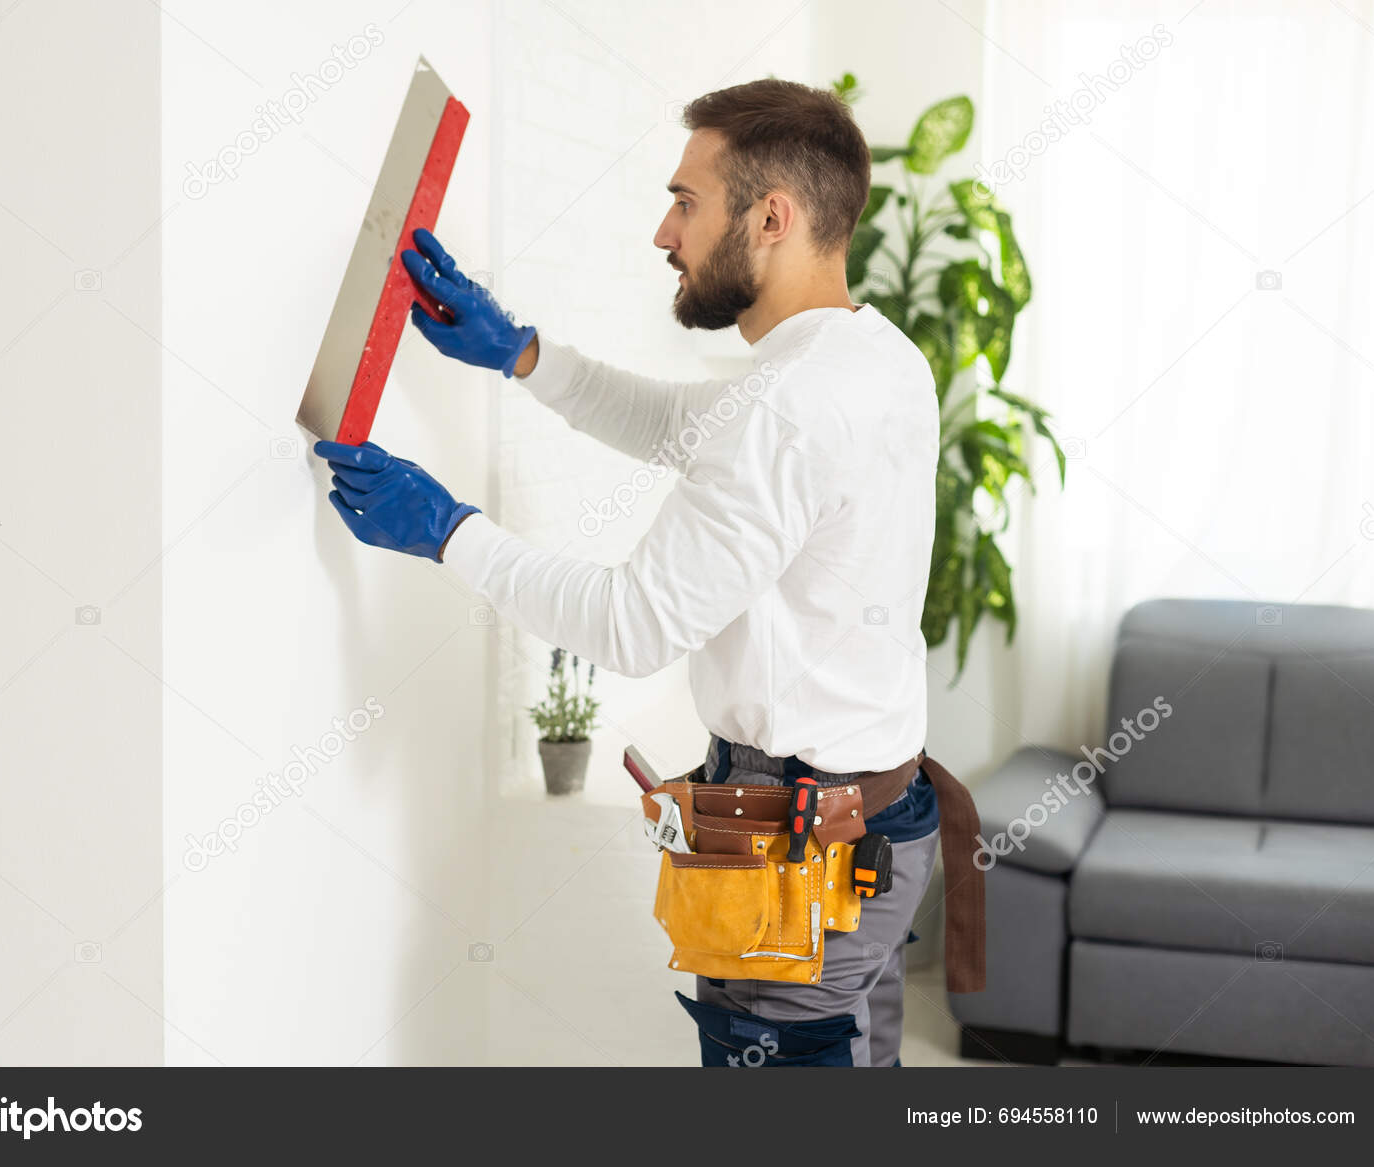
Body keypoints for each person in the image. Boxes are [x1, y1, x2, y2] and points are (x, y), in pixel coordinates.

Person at [316, 78, 979, 1067]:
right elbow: (693, 430)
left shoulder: (786, 406)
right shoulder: (874, 356)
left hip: (804, 862)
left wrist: (449, 531)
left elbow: (632, 627)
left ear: (770, 217)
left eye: (684, 201)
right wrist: (526, 357)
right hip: (880, 829)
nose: (663, 234)